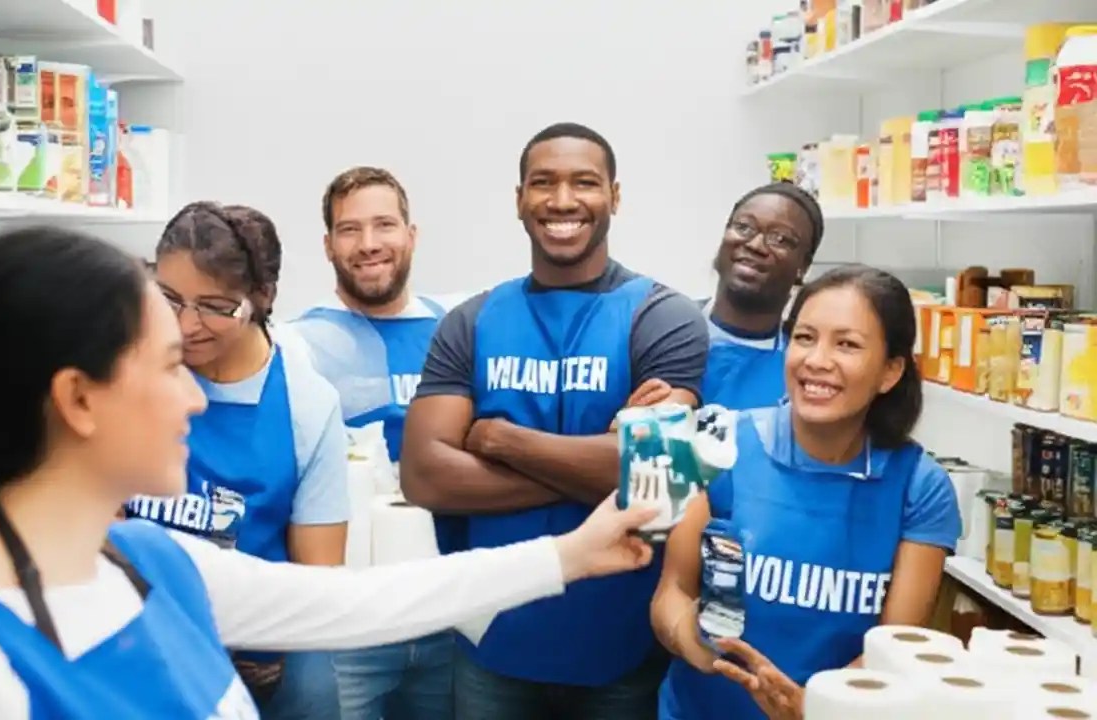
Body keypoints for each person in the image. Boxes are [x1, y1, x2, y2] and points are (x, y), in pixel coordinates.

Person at [0, 226, 664, 719]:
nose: (193, 395)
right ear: (77, 399)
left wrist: (574, 554)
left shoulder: (143, 559)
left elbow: (359, 602)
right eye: (163, 365)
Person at [400, 122, 710, 719]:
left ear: (615, 196)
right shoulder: (472, 320)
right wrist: (605, 466)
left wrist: (499, 438)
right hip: (494, 638)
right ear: (519, 199)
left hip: (622, 644)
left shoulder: (663, 316)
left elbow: (661, 486)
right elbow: (425, 478)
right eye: (543, 183)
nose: (562, 201)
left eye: (584, 183)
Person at [651, 264, 962, 720]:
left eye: (848, 344)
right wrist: (691, 640)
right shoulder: (715, 443)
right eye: (803, 337)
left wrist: (817, 709)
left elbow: (895, 647)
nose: (817, 360)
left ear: (891, 371)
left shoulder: (920, 486)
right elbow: (672, 591)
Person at [126, 202, 347, 717]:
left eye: (215, 306)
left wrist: (263, 634)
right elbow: (95, 521)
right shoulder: (125, 371)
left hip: (266, 640)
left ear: (262, 298)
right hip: (145, 627)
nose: (186, 325)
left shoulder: (307, 406)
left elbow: (319, 578)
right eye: (170, 298)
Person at [283, 167, 459, 720]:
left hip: (446, 614)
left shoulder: (455, 331)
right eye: (349, 229)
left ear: (412, 233)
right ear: (328, 245)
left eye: (384, 225)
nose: (369, 245)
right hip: (347, 628)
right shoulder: (294, 344)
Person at [701, 182, 824, 410]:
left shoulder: (804, 370)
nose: (756, 245)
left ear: (803, 267)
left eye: (781, 239)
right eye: (744, 227)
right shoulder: (660, 330)